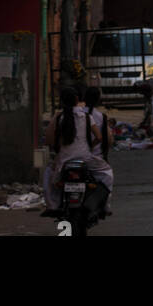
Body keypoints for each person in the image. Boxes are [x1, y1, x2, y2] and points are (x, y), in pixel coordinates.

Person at [43, 85, 113, 216]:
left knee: (48, 174)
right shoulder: (86, 117)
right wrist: (90, 146)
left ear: (62, 101)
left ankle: (52, 205)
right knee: (106, 173)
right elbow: (99, 137)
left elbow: (48, 139)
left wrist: (59, 147)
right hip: (85, 158)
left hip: (63, 160)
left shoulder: (59, 118)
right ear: (77, 99)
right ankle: (105, 205)